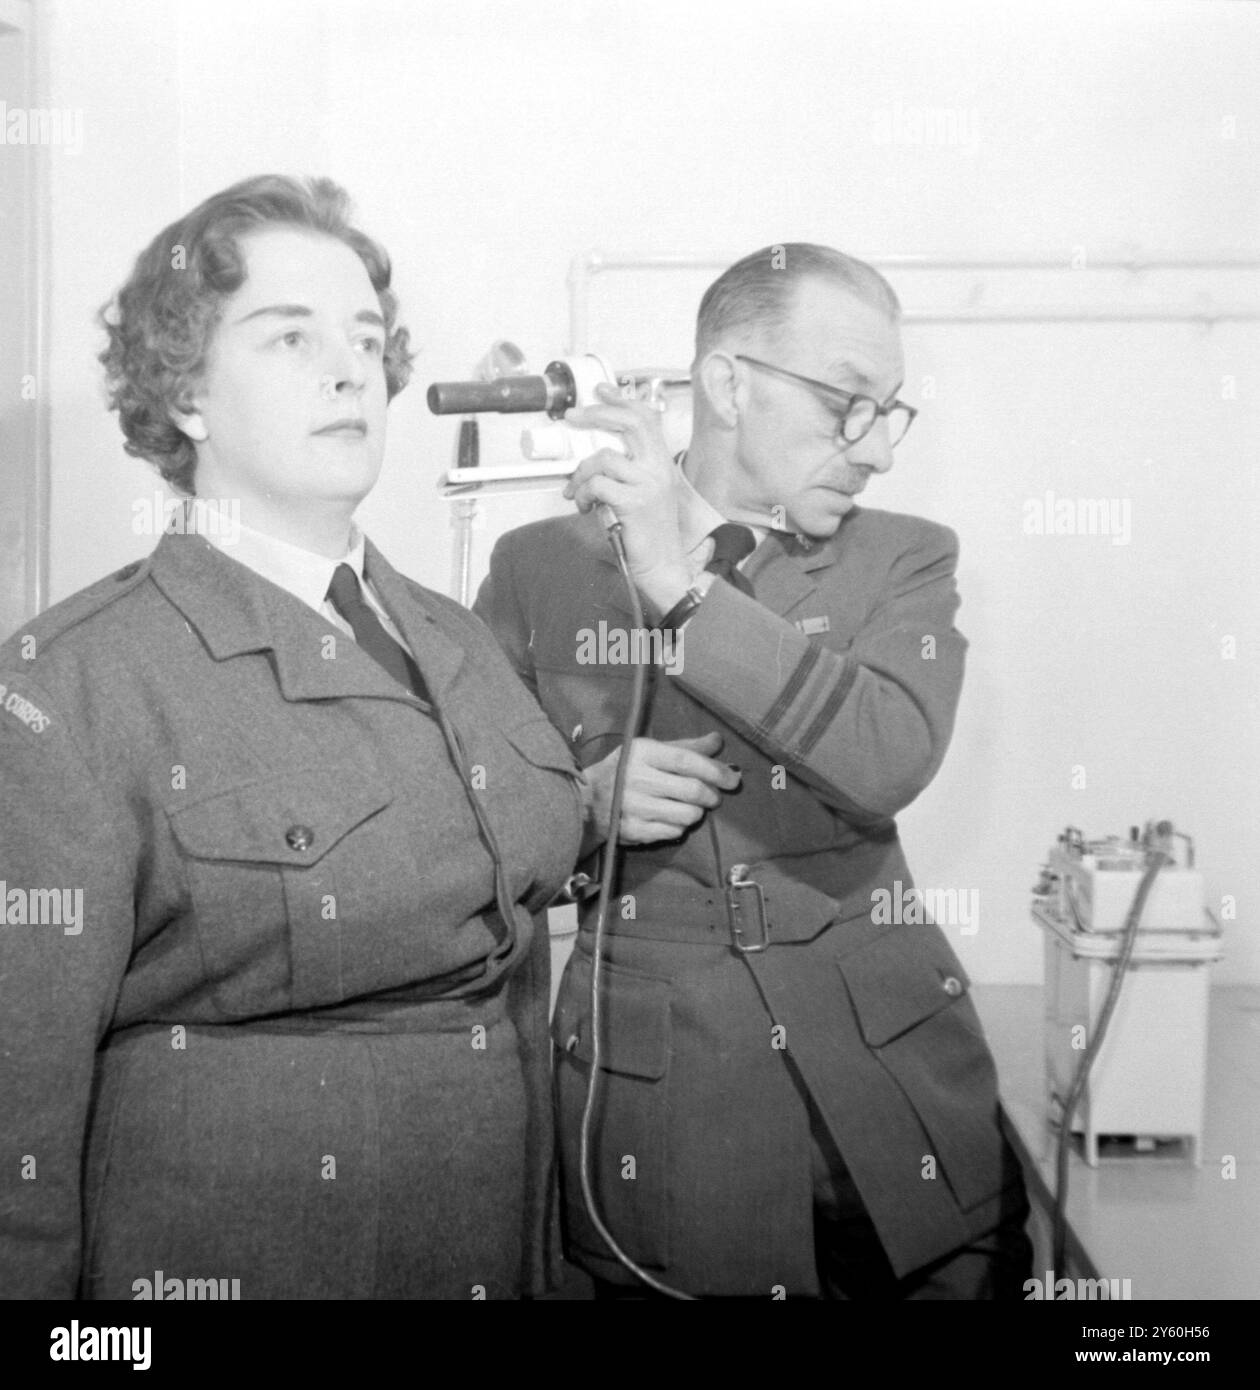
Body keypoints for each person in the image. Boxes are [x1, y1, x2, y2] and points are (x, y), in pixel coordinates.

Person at [0, 175, 582, 1299]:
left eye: (367, 337)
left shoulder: (453, 638)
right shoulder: (68, 687)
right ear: (186, 393)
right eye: (289, 336)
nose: (349, 367)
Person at [474, 243, 1032, 1299]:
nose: (874, 451)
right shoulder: (537, 569)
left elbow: (887, 754)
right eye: (845, 404)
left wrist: (684, 591)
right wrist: (584, 805)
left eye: (889, 411)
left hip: (899, 1119)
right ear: (728, 384)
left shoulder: (905, 557)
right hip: (672, 1132)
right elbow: (471, 837)